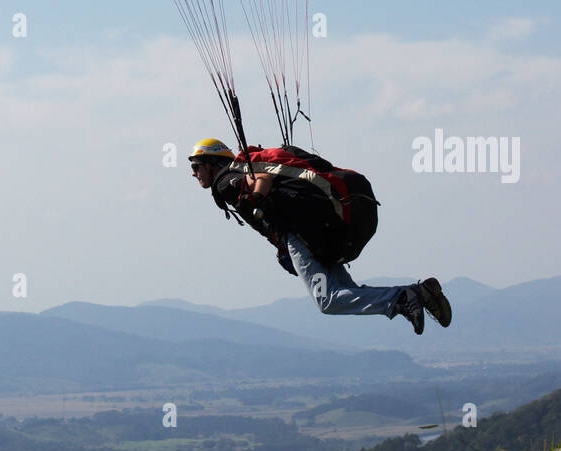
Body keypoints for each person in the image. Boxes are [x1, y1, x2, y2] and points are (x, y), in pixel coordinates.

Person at [188, 138, 452, 335]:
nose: (193, 172)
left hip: (301, 234)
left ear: (212, 164)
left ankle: (405, 297)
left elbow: (264, 178)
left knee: (327, 300)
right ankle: (419, 294)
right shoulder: (241, 168)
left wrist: (256, 199)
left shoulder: (226, 181)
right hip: (320, 231)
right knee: (344, 293)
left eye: (197, 166)